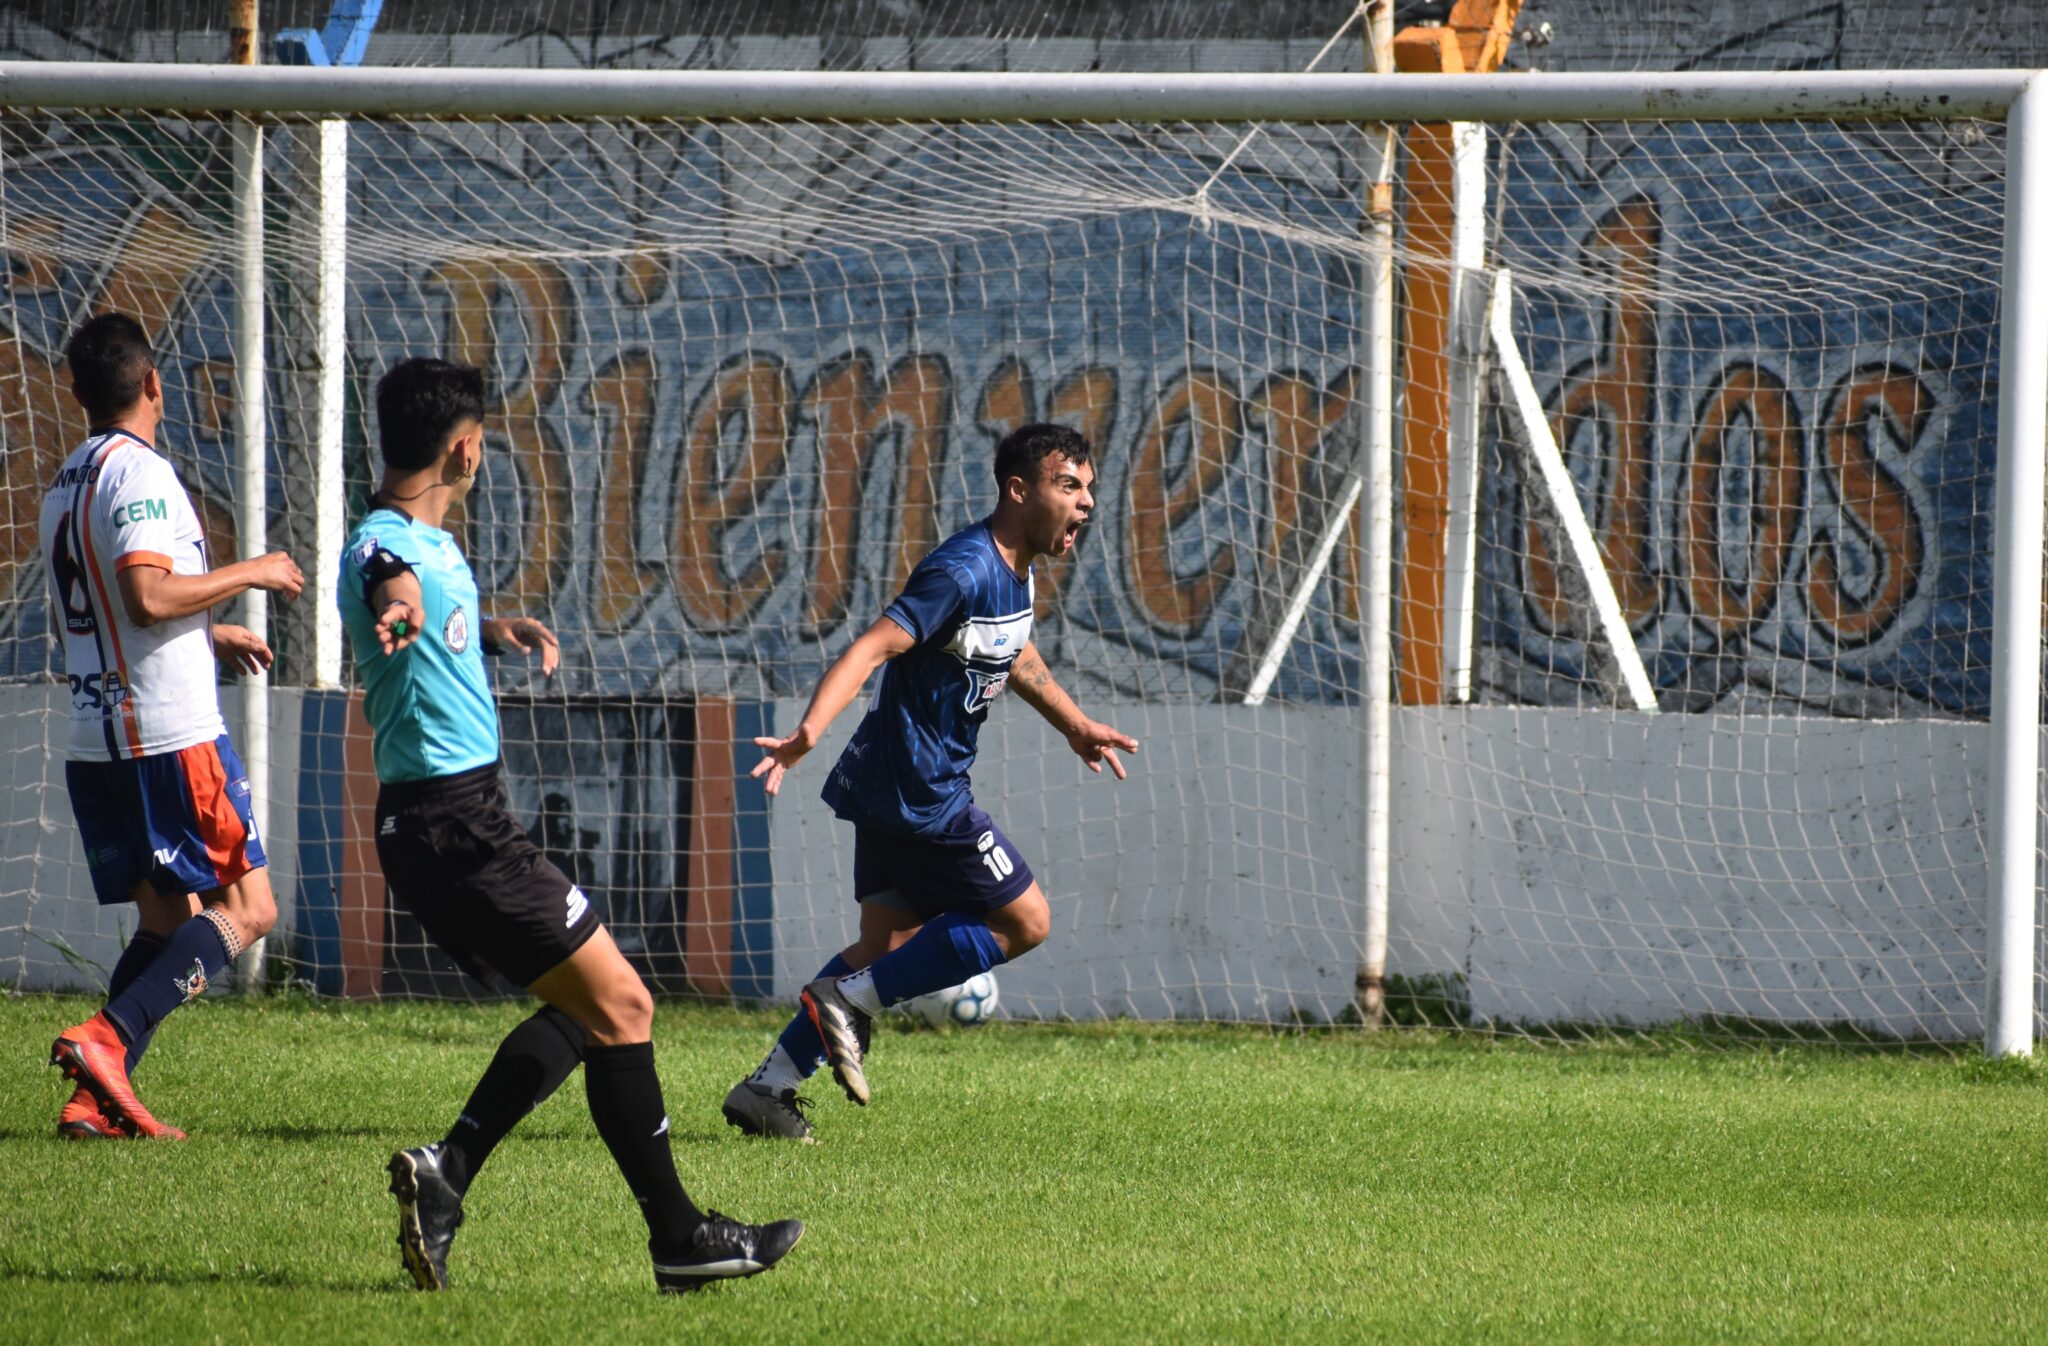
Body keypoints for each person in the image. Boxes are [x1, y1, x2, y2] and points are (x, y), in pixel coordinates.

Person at [337, 356, 800, 1293]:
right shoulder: (386, 548)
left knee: (595, 1006)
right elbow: (394, 588)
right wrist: (401, 613)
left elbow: (420, 603)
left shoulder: (416, 537)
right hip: (453, 825)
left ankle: (448, 1175)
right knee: (625, 1005)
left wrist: (486, 629)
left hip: (451, 822)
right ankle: (680, 1240)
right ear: (466, 449)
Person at [724, 422, 1137, 1142]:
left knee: (883, 949)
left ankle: (768, 1087)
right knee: (1026, 921)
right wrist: (810, 731)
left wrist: (1073, 723)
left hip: (890, 785)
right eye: (1069, 485)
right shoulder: (962, 569)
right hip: (923, 794)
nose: (1086, 502)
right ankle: (849, 1002)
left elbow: (1012, 650)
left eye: (1088, 488)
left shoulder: (1014, 569)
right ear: (1019, 490)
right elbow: (872, 646)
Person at [43, 313, 304, 1142]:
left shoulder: (66, 481)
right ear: (154, 384)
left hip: (98, 738)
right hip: (167, 737)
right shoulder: (142, 473)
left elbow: (108, 610)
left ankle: (93, 1102)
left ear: (80, 394)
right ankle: (107, 1036)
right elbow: (148, 594)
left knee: (165, 921)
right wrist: (252, 571)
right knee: (250, 908)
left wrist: (207, 635)